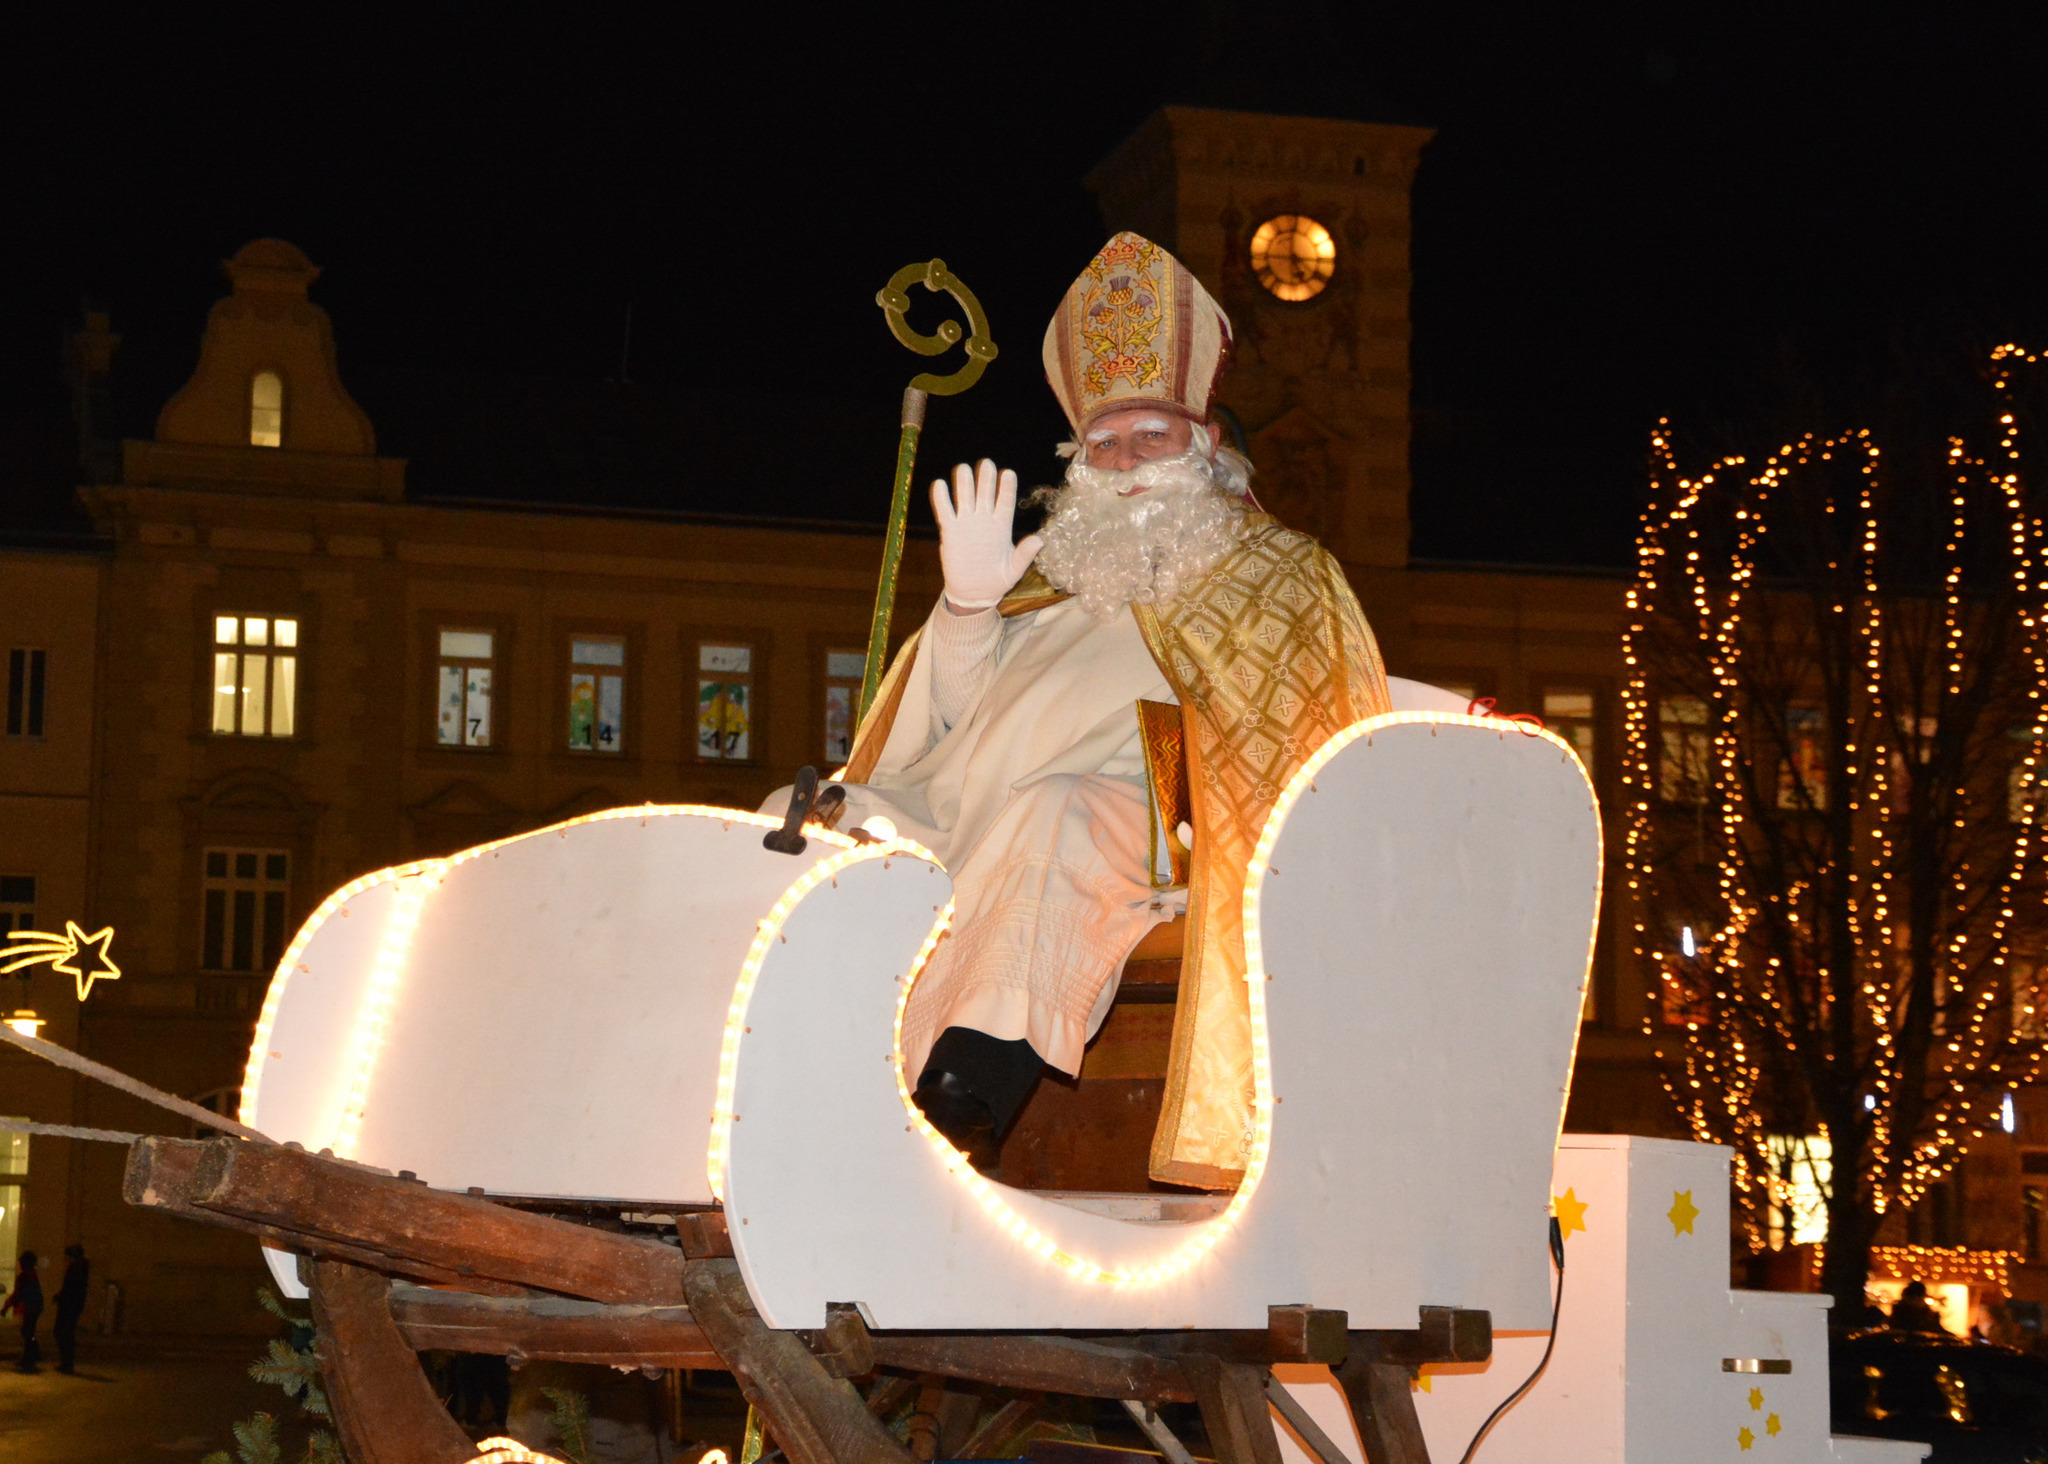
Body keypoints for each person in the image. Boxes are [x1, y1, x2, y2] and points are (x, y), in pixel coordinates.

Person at [819, 233, 1388, 1183]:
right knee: (800, 830)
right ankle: (769, 1095)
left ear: (1206, 447)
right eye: (1104, 442)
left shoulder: (1278, 572)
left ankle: (957, 1097)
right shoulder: (1046, 564)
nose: (1125, 462)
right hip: (962, 808)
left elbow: (1302, 744)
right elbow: (936, 727)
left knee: (1057, 814)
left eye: (1152, 438)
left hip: (1160, 819)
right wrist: (966, 608)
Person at [3, 1251, 42, 1372]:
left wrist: (6, 1307)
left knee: (27, 1333)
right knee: (28, 1332)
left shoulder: (24, 1277)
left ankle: (31, 1359)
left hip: (29, 1308)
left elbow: (17, 1294)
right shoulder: (32, 1275)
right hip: (34, 1307)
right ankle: (31, 1357)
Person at [53, 1244, 87, 1374]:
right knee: (66, 1334)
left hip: (69, 1306)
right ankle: (66, 1363)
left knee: (63, 1333)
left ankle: (66, 1363)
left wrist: (61, 1297)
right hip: (72, 1305)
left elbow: (70, 1288)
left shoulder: (76, 1269)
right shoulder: (80, 1268)